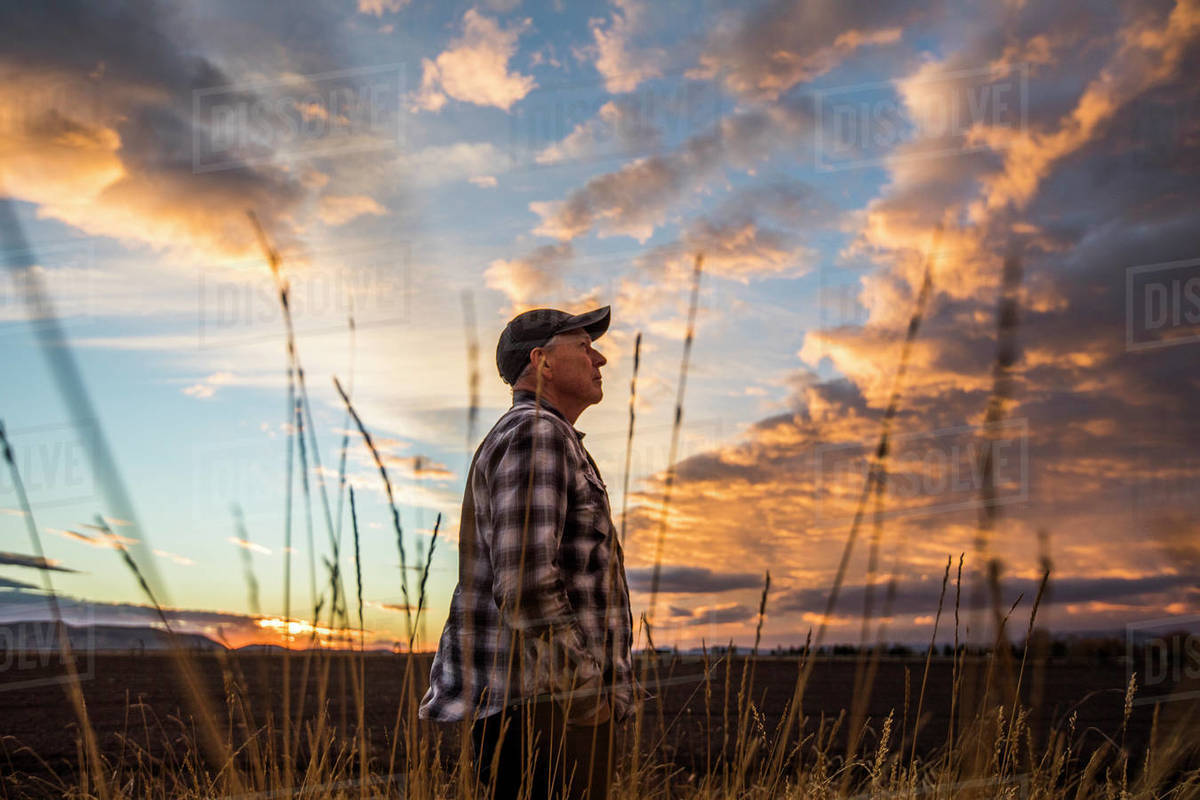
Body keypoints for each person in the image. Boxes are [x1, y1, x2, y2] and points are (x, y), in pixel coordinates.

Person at [420, 305, 635, 800]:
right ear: (542, 361)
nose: (600, 358)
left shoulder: (546, 435)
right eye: (583, 347)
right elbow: (527, 586)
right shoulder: (536, 433)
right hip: (546, 714)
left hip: (545, 709)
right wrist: (587, 700)